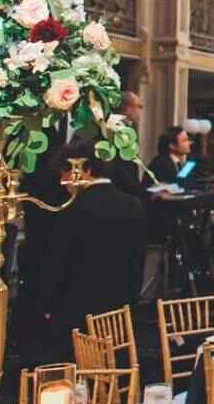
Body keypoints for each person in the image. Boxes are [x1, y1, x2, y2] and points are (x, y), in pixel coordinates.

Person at [28, 150, 146, 359]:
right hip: (119, 306)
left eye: (64, 173)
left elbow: (58, 261)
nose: (62, 181)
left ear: (85, 169)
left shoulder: (72, 209)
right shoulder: (134, 206)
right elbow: (138, 261)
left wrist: (47, 303)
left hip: (76, 308)